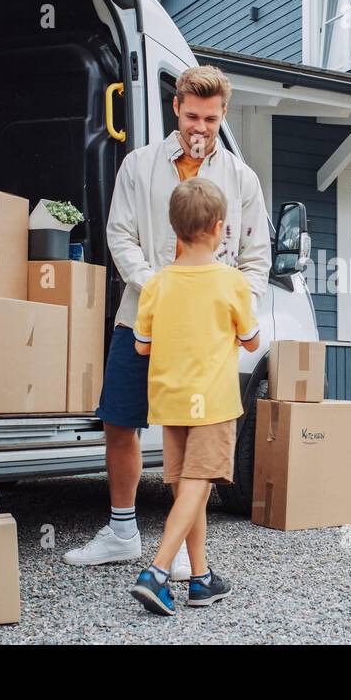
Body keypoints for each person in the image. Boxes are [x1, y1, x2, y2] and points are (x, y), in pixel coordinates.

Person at [63, 66, 271, 576]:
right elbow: (121, 238)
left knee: (189, 438)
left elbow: (255, 260)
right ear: (175, 108)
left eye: (212, 118)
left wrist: (221, 304)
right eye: (193, 116)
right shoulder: (138, 165)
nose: (201, 127)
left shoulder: (242, 180)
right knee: (119, 420)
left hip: (206, 337)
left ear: (223, 116)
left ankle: (180, 548)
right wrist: (159, 288)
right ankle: (121, 531)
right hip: (142, 316)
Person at [129, 177, 261, 616]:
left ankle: (201, 579)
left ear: (175, 229)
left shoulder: (157, 284)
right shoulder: (232, 282)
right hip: (214, 402)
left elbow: (141, 345)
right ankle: (158, 571)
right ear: (221, 228)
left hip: (170, 400)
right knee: (199, 484)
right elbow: (252, 341)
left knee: (189, 488)